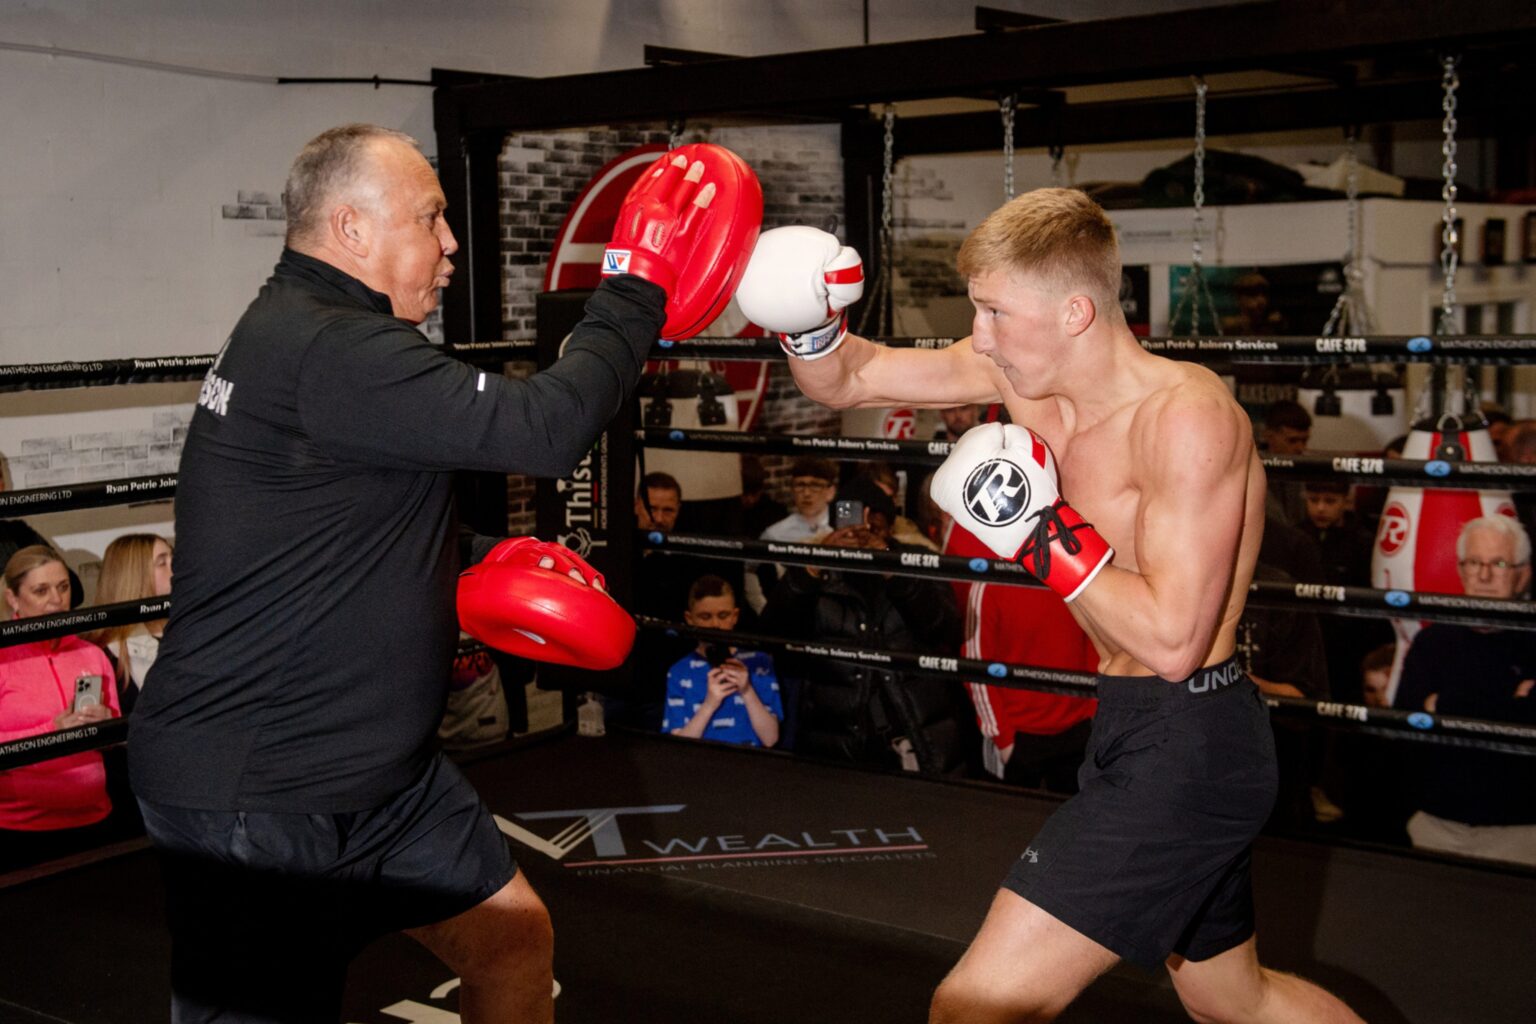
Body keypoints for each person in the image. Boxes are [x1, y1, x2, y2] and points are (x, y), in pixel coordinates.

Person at [127, 124, 756, 1022]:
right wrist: (635, 287)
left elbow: (331, 516)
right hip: (257, 789)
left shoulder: (319, 337)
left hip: (381, 775)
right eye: (430, 218)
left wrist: (478, 560)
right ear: (351, 229)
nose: (451, 243)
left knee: (509, 935)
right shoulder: (329, 347)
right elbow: (544, 430)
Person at [736, 190, 1361, 1021]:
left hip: (1191, 740)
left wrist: (1038, 529)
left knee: (973, 1008)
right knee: (1230, 1000)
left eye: (995, 312)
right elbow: (848, 379)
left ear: (1075, 311)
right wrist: (807, 324)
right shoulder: (1018, 373)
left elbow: (1175, 640)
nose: (980, 337)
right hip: (1131, 719)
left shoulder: (1186, 419)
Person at [760, 477, 970, 775]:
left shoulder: (918, 560)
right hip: (836, 739)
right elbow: (774, 633)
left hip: (914, 729)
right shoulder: (816, 568)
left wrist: (890, 567)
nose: (864, 527)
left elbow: (942, 630)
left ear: (889, 522)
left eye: (875, 518)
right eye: (855, 516)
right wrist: (813, 567)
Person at [1392, 516, 1536, 866]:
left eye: (1499, 564)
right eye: (1474, 563)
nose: (1484, 576)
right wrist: (1509, 701)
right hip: (1435, 824)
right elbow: (1403, 727)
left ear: (1523, 573)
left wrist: (1443, 702)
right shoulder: (1432, 641)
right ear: (1460, 570)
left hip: (1521, 831)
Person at [0, 546, 120, 872]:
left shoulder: (91, 654)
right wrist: (52, 731)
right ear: (13, 598)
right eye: (41, 590)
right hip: (20, 834)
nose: (57, 600)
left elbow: (115, 739)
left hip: (96, 822)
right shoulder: (2, 658)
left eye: (63, 587)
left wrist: (108, 724)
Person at [662, 575, 781, 747]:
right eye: (705, 616)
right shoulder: (679, 671)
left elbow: (771, 739)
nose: (715, 624)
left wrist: (747, 690)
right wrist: (710, 704)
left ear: (735, 616)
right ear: (689, 619)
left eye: (723, 615)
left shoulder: (759, 663)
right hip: (699, 766)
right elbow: (678, 748)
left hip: (749, 767)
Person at [91, 533, 174, 716]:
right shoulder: (103, 654)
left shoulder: (194, 627)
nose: (176, 569)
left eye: (174, 559)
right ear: (134, 575)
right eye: (162, 563)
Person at [743, 456, 839, 613]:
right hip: (795, 610)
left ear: (830, 491)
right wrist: (763, 608)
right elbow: (748, 568)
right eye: (800, 485)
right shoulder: (776, 532)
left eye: (815, 486)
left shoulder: (841, 527)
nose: (807, 493)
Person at [1259, 399, 1312, 526]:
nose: (1301, 448)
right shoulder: (1254, 470)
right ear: (1269, 436)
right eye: (1292, 441)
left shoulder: (1308, 469)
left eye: (1304, 441)